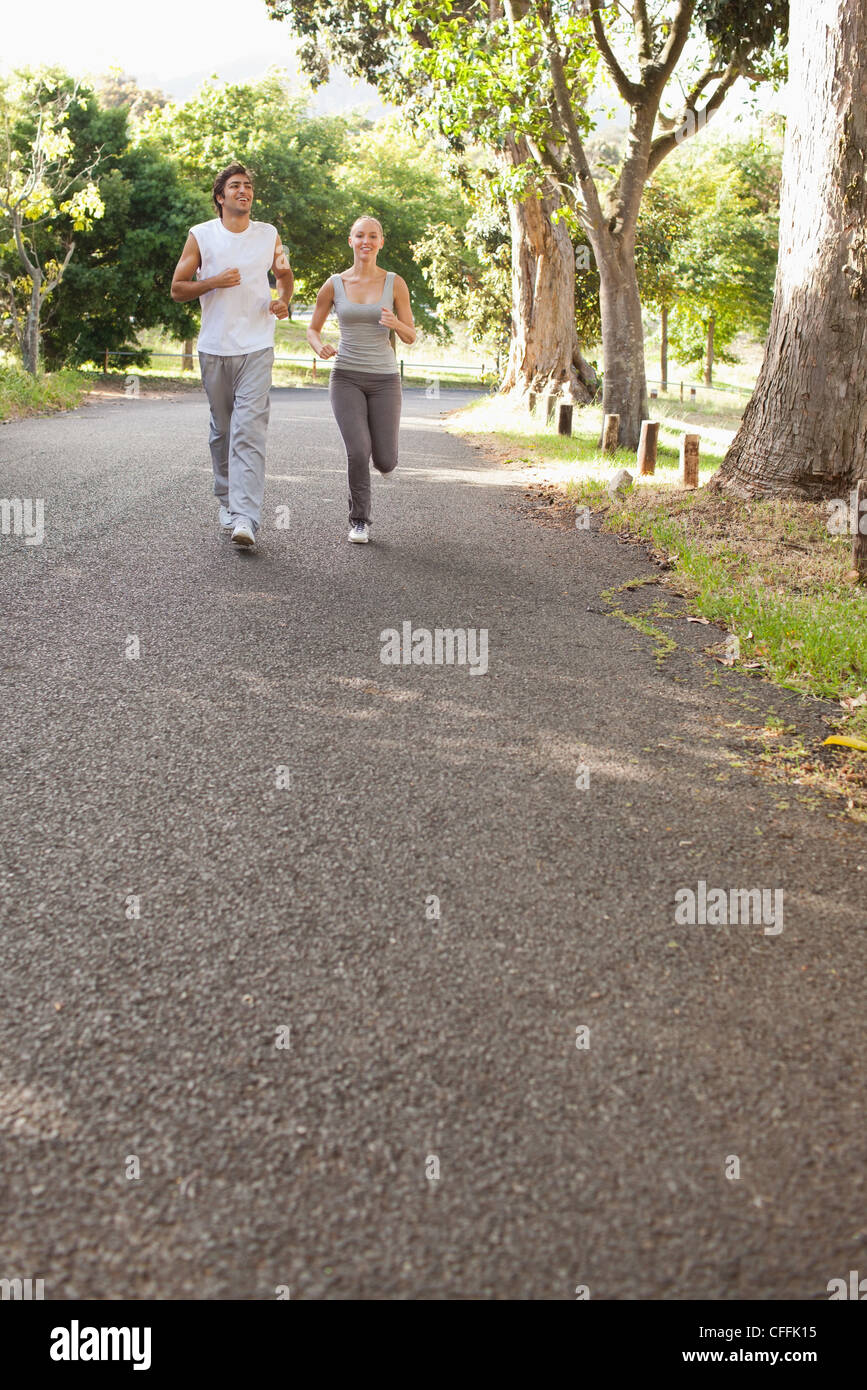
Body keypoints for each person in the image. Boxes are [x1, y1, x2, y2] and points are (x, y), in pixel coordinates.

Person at [170, 162, 293, 550]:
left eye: (249, 186)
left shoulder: (270, 234)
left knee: (249, 431)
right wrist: (213, 282)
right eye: (236, 186)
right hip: (215, 348)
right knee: (223, 430)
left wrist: (283, 301)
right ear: (220, 196)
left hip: (257, 345)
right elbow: (177, 288)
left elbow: (285, 275)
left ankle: (246, 517)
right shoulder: (201, 236)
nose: (245, 191)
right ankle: (225, 499)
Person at [306, 216, 416, 543]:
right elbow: (312, 328)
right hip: (346, 378)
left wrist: (395, 323)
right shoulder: (335, 283)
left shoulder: (394, 283)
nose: (366, 241)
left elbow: (410, 335)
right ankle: (359, 520)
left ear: (381, 242)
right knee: (358, 450)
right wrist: (319, 346)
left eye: (372, 236)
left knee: (385, 460)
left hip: (384, 380)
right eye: (359, 235)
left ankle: (382, 466)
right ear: (350, 241)